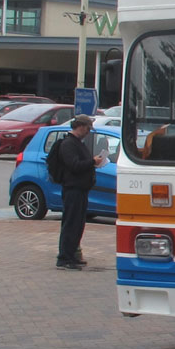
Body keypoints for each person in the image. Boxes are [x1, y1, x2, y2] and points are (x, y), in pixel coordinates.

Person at [56, 114, 108, 270]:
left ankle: (72, 255)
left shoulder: (77, 143)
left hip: (81, 189)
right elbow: (74, 165)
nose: (88, 132)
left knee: (78, 224)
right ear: (81, 126)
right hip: (73, 190)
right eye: (87, 128)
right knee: (71, 224)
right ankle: (64, 257)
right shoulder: (68, 144)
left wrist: (93, 162)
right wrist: (92, 161)